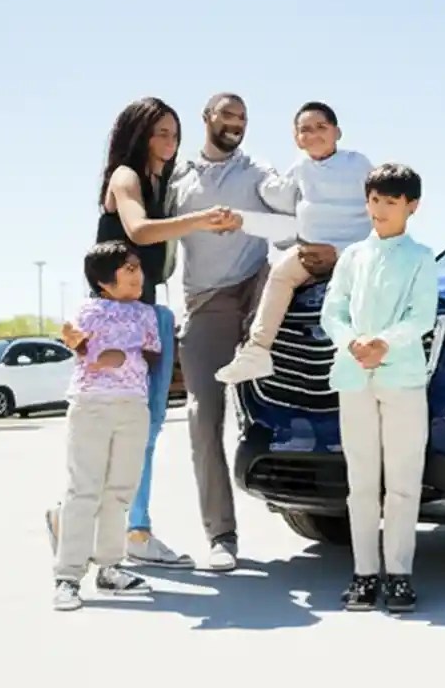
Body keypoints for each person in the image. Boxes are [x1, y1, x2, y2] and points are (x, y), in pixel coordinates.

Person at [45, 97, 239, 570]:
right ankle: (131, 530)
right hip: (116, 320)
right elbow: (140, 229)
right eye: (160, 133)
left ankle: (109, 525)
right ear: (138, 135)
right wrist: (201, 220)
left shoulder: (164, 182)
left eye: (174, 134)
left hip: (149, 315)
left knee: (146, 428)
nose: (169, 143)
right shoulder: (126, 177)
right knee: (127, 429)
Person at [166, 92, 298, 571]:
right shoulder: (179, 178)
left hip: (259, 288)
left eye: (242, 117)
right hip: (206, 302)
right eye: (227, 115)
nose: (236, 124)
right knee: (203, 417)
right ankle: (221, 535)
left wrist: (246, 220)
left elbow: (289, 220)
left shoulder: (256, 171)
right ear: (207, 119)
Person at [319, 163, 438, 612]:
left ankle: (400, 574)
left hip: (402, 377)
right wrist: (353, 343)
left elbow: (421, 316)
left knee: (404, 482)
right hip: (353, 376)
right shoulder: (352, 257)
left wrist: (383, 342)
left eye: (391, 202)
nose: (380, 210)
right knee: (361, 482)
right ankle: (364, 574)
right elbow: (333, 311)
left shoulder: (421, 257)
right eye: (374, 200)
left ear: (412, 206)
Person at [216, 100, 375, 384]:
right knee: (280, 276)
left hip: (355, 250)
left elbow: (379, 204)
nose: (313, 134)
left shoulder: (358, 163)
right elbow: (276, 194)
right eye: (305, 130)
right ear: (296, 138)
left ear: (337, 132)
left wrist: (342, 254)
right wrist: (259, 175)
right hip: (310, 252)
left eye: (321, 127)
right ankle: (257, 352)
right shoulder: (301, 169)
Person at [52, 240, 165, 611]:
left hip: (133, 406)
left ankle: (110, 567)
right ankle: (68, 575)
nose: (138, 276)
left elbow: (151, 354)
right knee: (85, 489)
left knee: (119, 490)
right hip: (91, 405)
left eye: (139, 269)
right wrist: (82, 347)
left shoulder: (147, 313)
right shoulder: (89, 310)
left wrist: (122, 355)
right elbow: (82, 349)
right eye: (128, 269)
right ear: (104, 281)